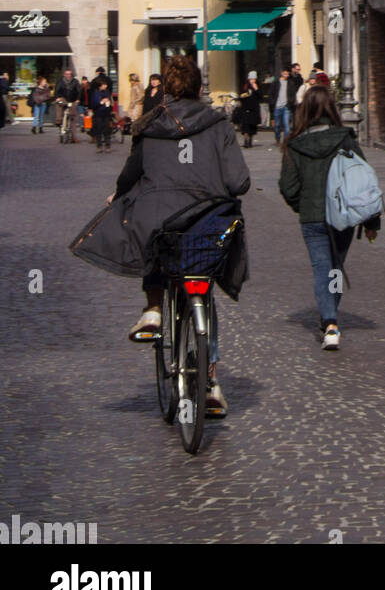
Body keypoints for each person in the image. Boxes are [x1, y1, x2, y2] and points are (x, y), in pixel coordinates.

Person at [70, 55, 250, 418]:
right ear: (199, 87)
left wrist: (120, 195)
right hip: (206, 219)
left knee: (153, 236)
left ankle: (153, 311)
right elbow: (238, 182)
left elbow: (129, 176)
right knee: (201, 283)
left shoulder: (149, 125)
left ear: (164, 88)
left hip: (159, 217)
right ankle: (211, 382)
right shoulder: (218, 124)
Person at [279, 82, 379, 350]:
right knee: (335, 268)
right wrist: (371, 221)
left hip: (312, 218)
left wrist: (303, 206)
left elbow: (287, 187)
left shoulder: (294, 143)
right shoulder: (344, 138)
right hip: (343, 217)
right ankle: (331, 319)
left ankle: (330, 321)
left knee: (322, 268)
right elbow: (364, 181)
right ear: (332, 109)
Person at [89, 67, 114, 152]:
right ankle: (99, 146)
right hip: (98, 113)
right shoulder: (95, 93)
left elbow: (110, 99)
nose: (106, 86)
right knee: (98, 130)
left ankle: (107, 146)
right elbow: (93, 103)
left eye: (106, 85)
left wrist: (109, 104)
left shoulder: (107, 92)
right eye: (104, 85)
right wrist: (100, 102)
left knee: (107, 130)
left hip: (106, 113)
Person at [54, 66, 82, 140]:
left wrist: (78, 99)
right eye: (66, 74)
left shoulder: (75, 81)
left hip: (72, 100)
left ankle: (74, 137)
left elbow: (79, 91)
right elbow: (56, 90)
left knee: (73, 118)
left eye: (69, 74)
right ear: (64, 74)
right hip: (63, 98)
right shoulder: (60, 81)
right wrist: (57, 97)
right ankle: (59, 120)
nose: (68, 75)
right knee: (59, 104)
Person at [238, 72, 263, 148]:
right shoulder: (245, 86)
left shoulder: (257, 86)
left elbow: (260, 97)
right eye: (251, 79)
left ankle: (250, 141)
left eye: (254, 79)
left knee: (252, 126)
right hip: (246, 109)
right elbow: (241, 96)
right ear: (249, 79)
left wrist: (256, 89)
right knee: (245, 126)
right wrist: (243, 96)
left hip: (254, 109)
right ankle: (246, 140)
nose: (253, 80)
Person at [272, 69, 291, 143]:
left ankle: (286, 141)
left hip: (286, 107)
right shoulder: (276, 83)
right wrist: (273, 102)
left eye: (287, 74)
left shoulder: (290, 83)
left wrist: (290, 102)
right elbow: (271, 93)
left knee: (287, 125)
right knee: (277, 125)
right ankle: (277, 137)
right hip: (277, 106)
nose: (286, 75)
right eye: (284, 74)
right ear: (282, 73)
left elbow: (292, 94)